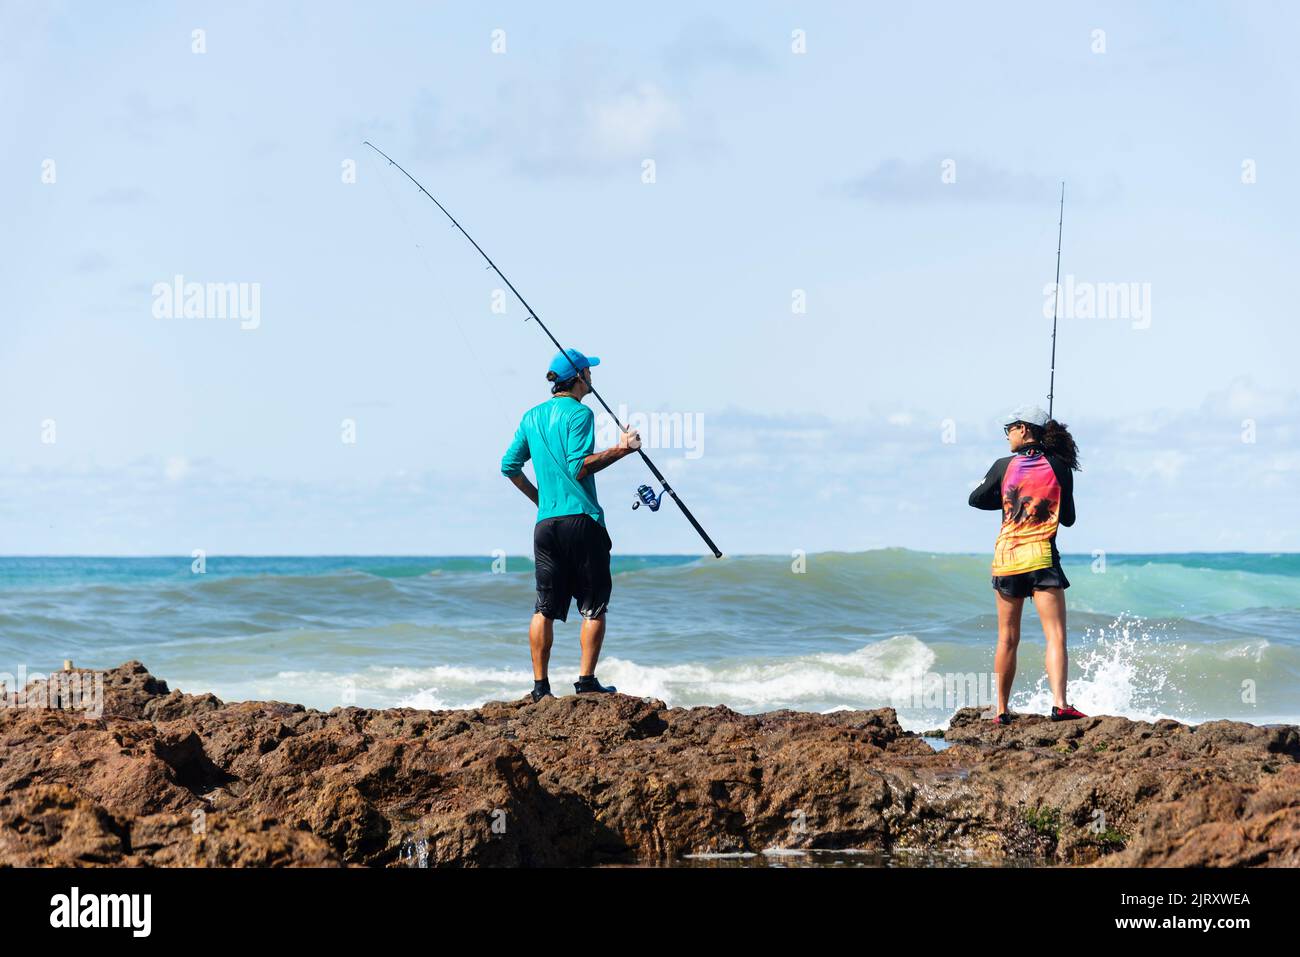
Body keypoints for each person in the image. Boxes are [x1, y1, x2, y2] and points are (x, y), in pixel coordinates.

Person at [501, 348, 641, 702]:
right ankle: (586, 681)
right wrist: (622, 450)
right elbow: (579, 466)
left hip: (546, 525)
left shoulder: (531, 416)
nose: (592, 377)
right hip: (582, 520)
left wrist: (540, 500)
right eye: (589, 372)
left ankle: (539, 688)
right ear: (579, 377)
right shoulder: (581, 414)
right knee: (594, 605)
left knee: (543, 607)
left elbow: (509, 466)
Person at [968, 405, 1087, 725]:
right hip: (1043, 559)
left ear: (1024, 429)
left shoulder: (1002, 466)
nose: (1007, 434)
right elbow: (1070, 519)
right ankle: (1060, 705)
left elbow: (975, 498)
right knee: (1056, 635)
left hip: (1007, 559)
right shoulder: (1060, 466)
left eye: (1009, 427)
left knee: (1007, 637)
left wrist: (1010, 499)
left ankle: (1002, 711)